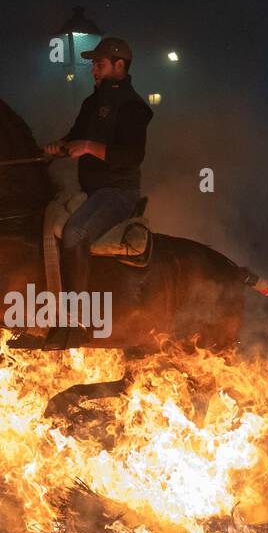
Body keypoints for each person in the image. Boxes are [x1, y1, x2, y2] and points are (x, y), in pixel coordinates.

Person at [43, 36, 153, 347]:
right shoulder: (91, 103)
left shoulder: (134, 107)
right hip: (89, 191)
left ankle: (77, 322)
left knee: (76, 233)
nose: (93, 69)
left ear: (120, 65)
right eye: (93, 64)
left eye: (99, 64)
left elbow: (132, 157)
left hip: (118, 192)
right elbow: (76, 136)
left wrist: (90, 147)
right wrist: (59, 146)